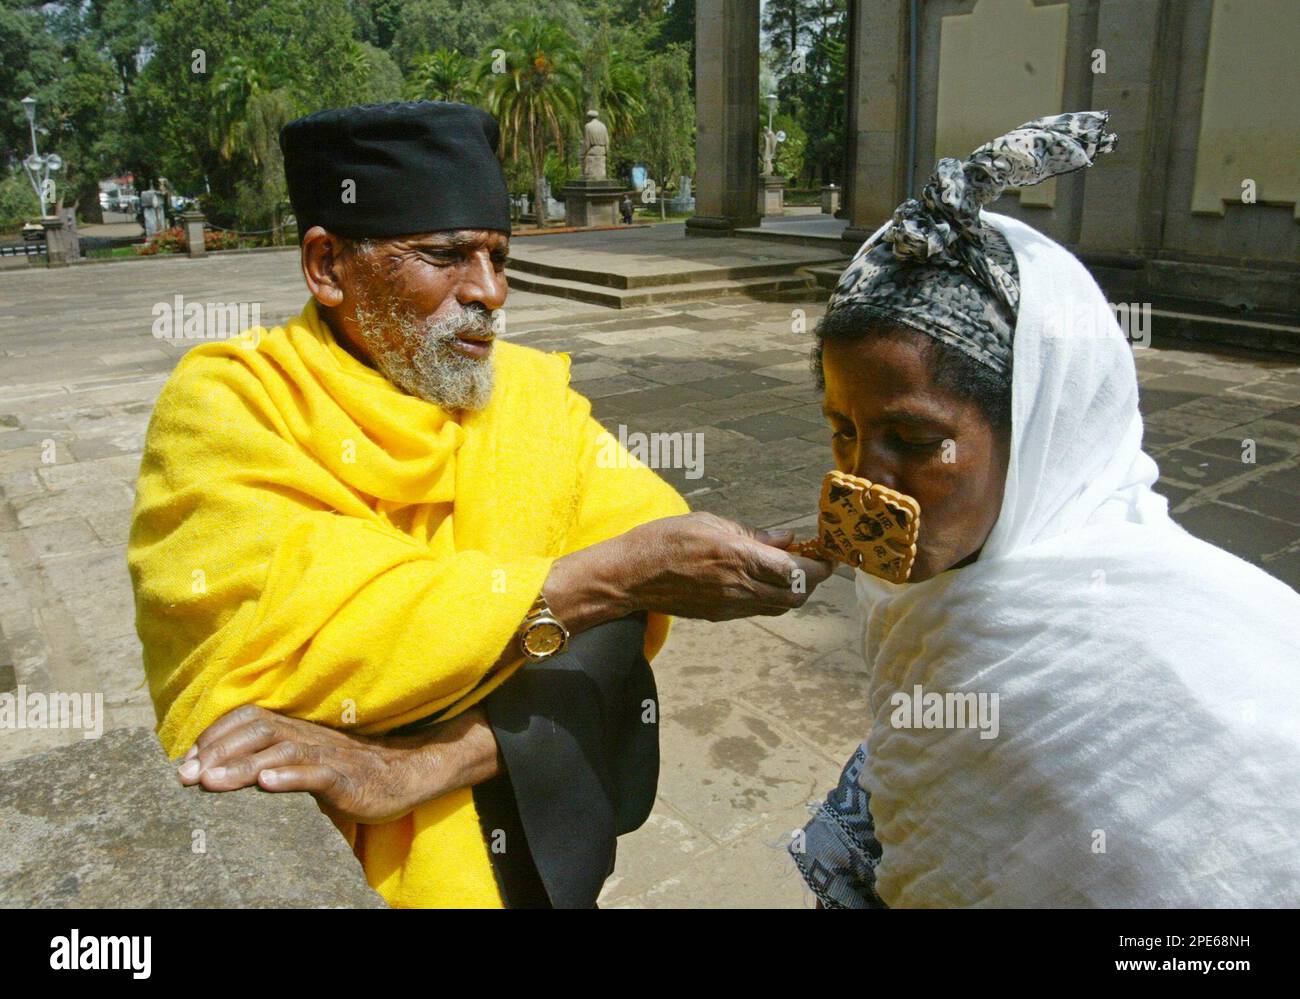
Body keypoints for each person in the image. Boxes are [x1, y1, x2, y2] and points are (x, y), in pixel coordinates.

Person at [127, 100, 836, 909]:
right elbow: (280, 649)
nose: (491, 292)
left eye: (498, 257)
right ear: (327, 265)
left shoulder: (527, 398)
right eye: (445, 255)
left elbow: (627, 605)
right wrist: (592, 583)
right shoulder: (232, 405)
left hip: (529, 839)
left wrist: (426, 759)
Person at [790, 111, 1300, 907]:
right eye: (841, 431)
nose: (866, 482)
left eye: (915, 441)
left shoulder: (1164, 680)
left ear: (1039, 426)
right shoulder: (933, 589)